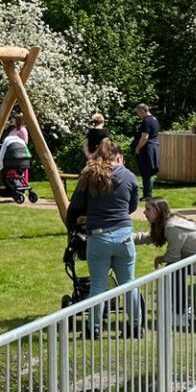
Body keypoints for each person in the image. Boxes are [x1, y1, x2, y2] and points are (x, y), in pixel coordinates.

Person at [66, 139, 142, 338]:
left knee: (98, 285)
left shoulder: (90, 175)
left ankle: (94, 328)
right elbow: (132, 206)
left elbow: (76, 203)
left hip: (98, 236)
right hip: (124, 234)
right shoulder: (129, 176)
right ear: (119, 156)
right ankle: (136, 327)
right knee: (129, 283)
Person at [139, 196, 196, 325]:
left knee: (173, 270)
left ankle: (180, 314)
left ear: (159, 211)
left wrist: (160, 258)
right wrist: (128, 238)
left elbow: (173, 257)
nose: (144, 212)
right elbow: (151, 237)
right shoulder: (170, 222)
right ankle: (182, 310)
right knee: (175, 269)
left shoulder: (172, 227)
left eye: (148, 209)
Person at [130, 104, 161, 198]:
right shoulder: (155, 119)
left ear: (143, 110)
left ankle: (147, 195)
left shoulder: (146, 121)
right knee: (148, 173)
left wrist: (138, 148)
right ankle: (148, 194)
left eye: (139, 112)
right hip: (154, 147)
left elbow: (145, 137)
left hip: (147, 149)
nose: (138, 115)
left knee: (146, 173)